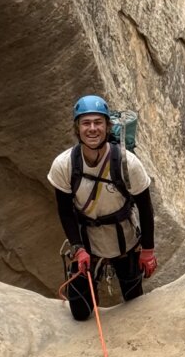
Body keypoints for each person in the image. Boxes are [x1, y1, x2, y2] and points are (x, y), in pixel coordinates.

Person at [47, 95, 157, 321]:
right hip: (88, 242)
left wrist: (148, 250)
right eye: (86, 123)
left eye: (98, 122)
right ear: (77, 128)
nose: (92, 129)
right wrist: (77, 248)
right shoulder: (64, 165)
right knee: (79, 312)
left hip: (124, 240)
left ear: (108, 127)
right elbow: (65, 210)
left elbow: (145, 208)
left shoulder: (128, 163)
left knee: (134, 303)